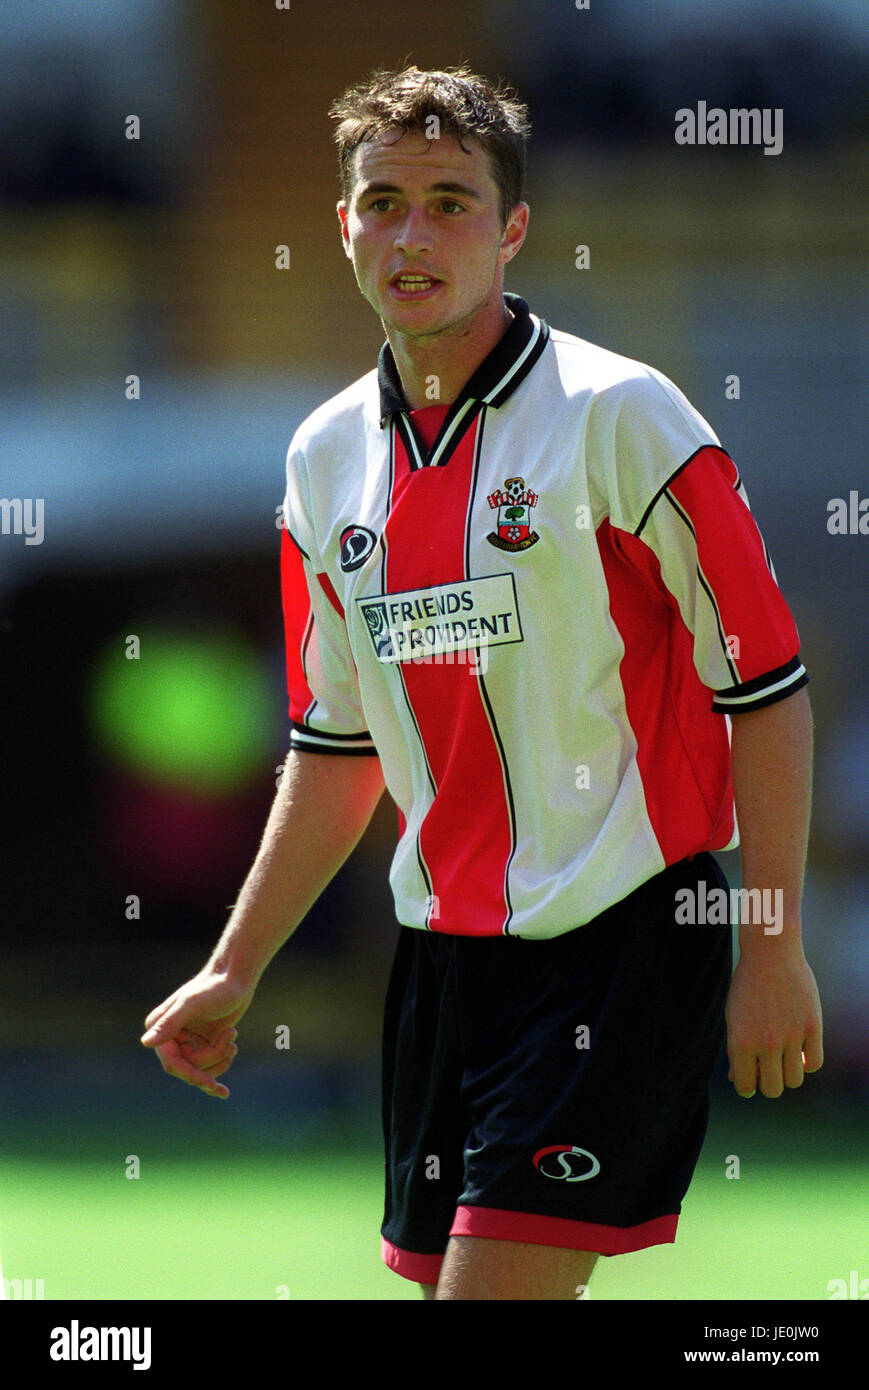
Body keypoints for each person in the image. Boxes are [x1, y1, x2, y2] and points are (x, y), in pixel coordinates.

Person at [141, 65, 823, 1301]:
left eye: (451, 201)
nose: (413, 233)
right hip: (444, 959)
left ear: (511, 229)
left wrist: (767, 945)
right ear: (341, 227)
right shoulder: (322, 457)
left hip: (620, 938)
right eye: (383, 199)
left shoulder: (623, 415)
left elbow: (765, 687)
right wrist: (236, 968)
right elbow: (334, 747)